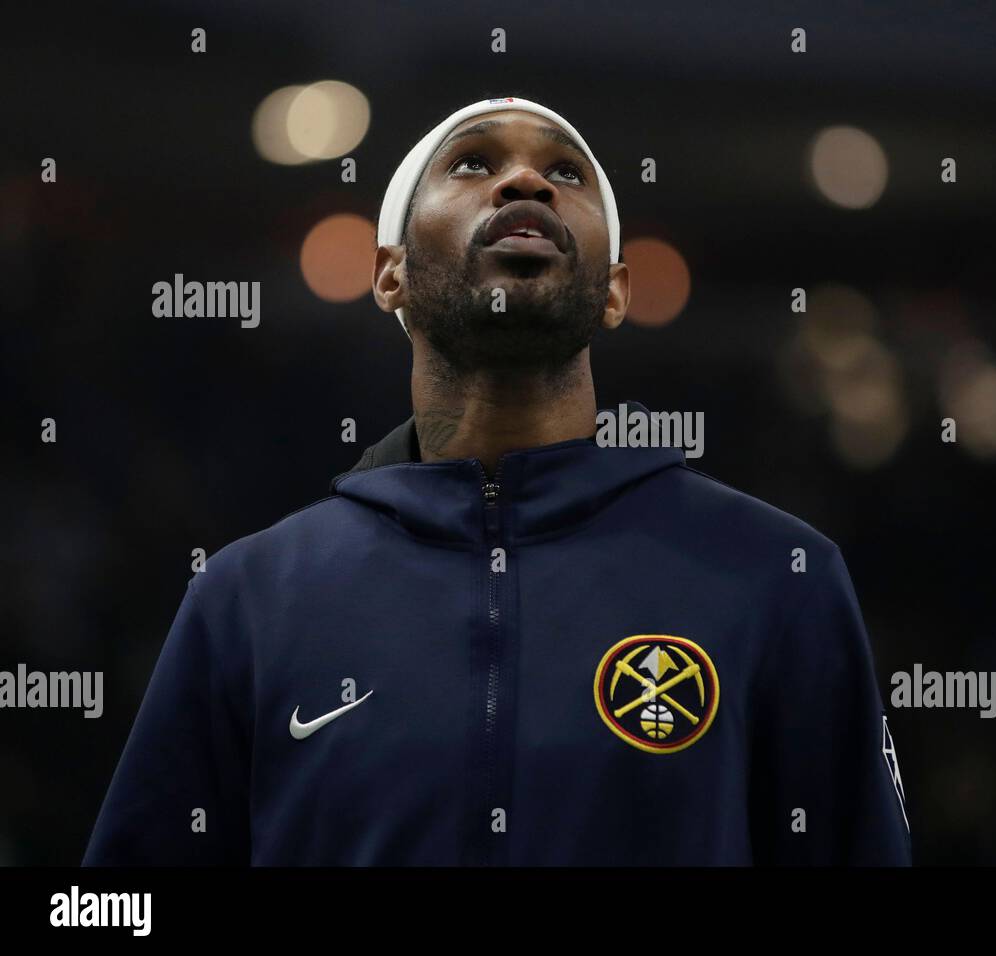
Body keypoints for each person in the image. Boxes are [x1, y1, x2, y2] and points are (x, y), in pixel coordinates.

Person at [82, 96, 911, 866]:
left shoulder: (778, 576)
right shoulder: (246, 598)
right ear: (390, 273)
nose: (525, 181)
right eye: (473, 164)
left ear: (617, 290)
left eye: (567, 173)